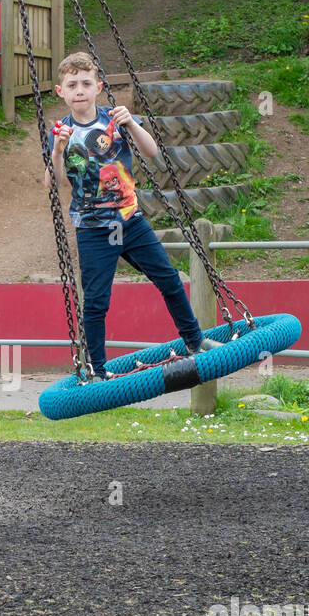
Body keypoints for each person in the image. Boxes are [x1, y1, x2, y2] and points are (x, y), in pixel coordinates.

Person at [43, 51, 220, 380]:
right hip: (92, 228)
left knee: (168, 278)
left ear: (98, 87)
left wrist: (131, 125)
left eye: (85, 83)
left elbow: (152, 152)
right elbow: (52, 184)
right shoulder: (59, 132)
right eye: (72, 85)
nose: (79, 90)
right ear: (61, 92)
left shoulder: (114, 118)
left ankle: (195, 341)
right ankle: (98, 369)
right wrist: (57, 150)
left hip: (130, 220)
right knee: (96, 301)